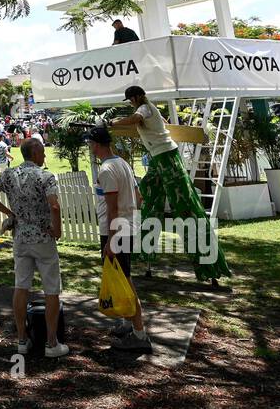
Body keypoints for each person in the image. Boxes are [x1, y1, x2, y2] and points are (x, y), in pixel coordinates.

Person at [111, 85, 230, 281]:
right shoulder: (150, 109)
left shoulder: (145, 108)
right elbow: (161, 122)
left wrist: (113, 123)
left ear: (139, 96)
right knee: (150, 196)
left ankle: (209, 266)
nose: (131, 103)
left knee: (185, 207)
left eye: (131, 99)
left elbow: (136, 119)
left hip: (167, 158)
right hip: (159, 157)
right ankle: (144, 254)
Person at [0, 138, 68, 358]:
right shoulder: (46, 176)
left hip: (20, 237)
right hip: (43, 239)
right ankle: (51, 342)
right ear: (35, 153)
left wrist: (10, 213)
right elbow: (55, 206)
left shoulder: (10, 174)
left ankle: (22, 339)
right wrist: (57, 231)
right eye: (43, 153)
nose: (45, 157)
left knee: (21, 287)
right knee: (51, 290)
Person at [88, 127, 150, 351]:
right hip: (126, 227)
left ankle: (140, 334)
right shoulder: (122, 163)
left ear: (96, 144)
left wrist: (111, 241)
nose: (90, 148)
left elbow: (112, 209)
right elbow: (139, 197)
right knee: (122, 277)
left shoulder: (106, 169)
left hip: (115, 230)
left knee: (125, 281)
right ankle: (127, 323)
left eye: (90, 143)